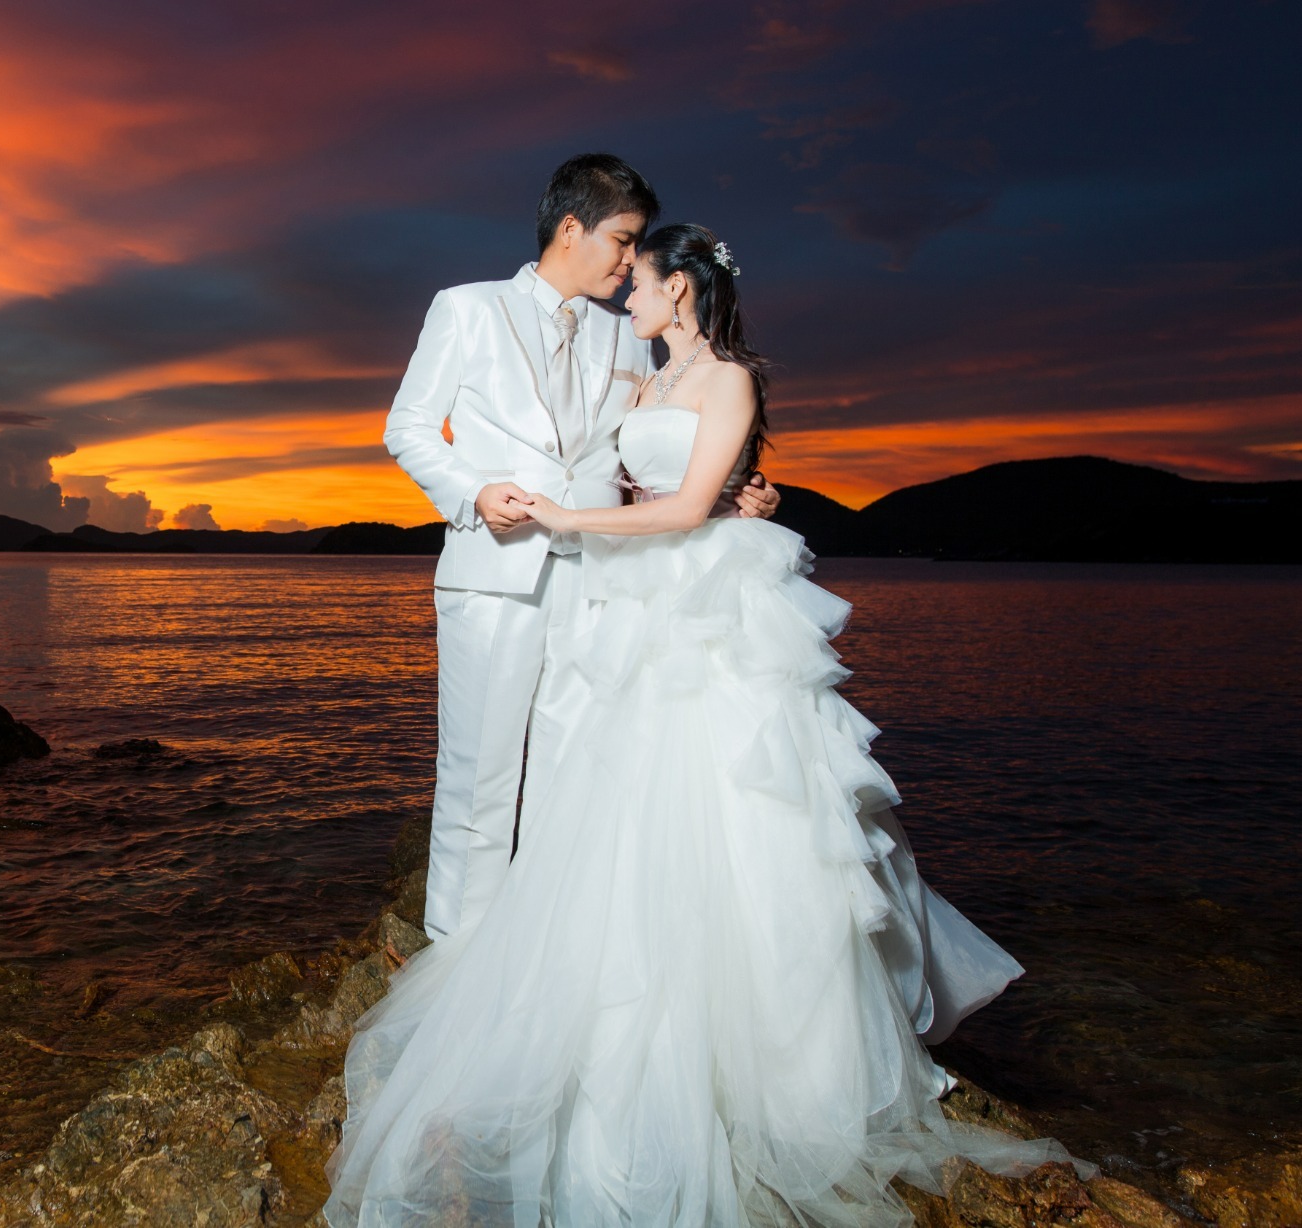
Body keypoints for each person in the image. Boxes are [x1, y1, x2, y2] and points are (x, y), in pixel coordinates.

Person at [325, 223, 1076, 1226]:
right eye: (624, 269)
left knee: (740, 790)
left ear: (681, 288)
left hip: (704, 594)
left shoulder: (730, 378)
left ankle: (771, 1042)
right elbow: (650, 482)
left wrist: (582, 519)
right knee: (624, 796)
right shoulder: (638, 379)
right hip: (635, 600)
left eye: (639, 277)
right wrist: (712, 494)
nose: (625, 291)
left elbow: (682, 509)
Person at [384, 154, 779, 942]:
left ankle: (544, 951)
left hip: (606, 583)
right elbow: (410, 429)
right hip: (495, 573)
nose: (633, 260)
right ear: (573, 228)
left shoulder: (630, 335)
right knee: (480, 774)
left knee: (578, 772)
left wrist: (738, 493)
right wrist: (471, 493)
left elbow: (658, 452)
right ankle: (454, 952)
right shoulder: (466, 309)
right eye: (623, 240)